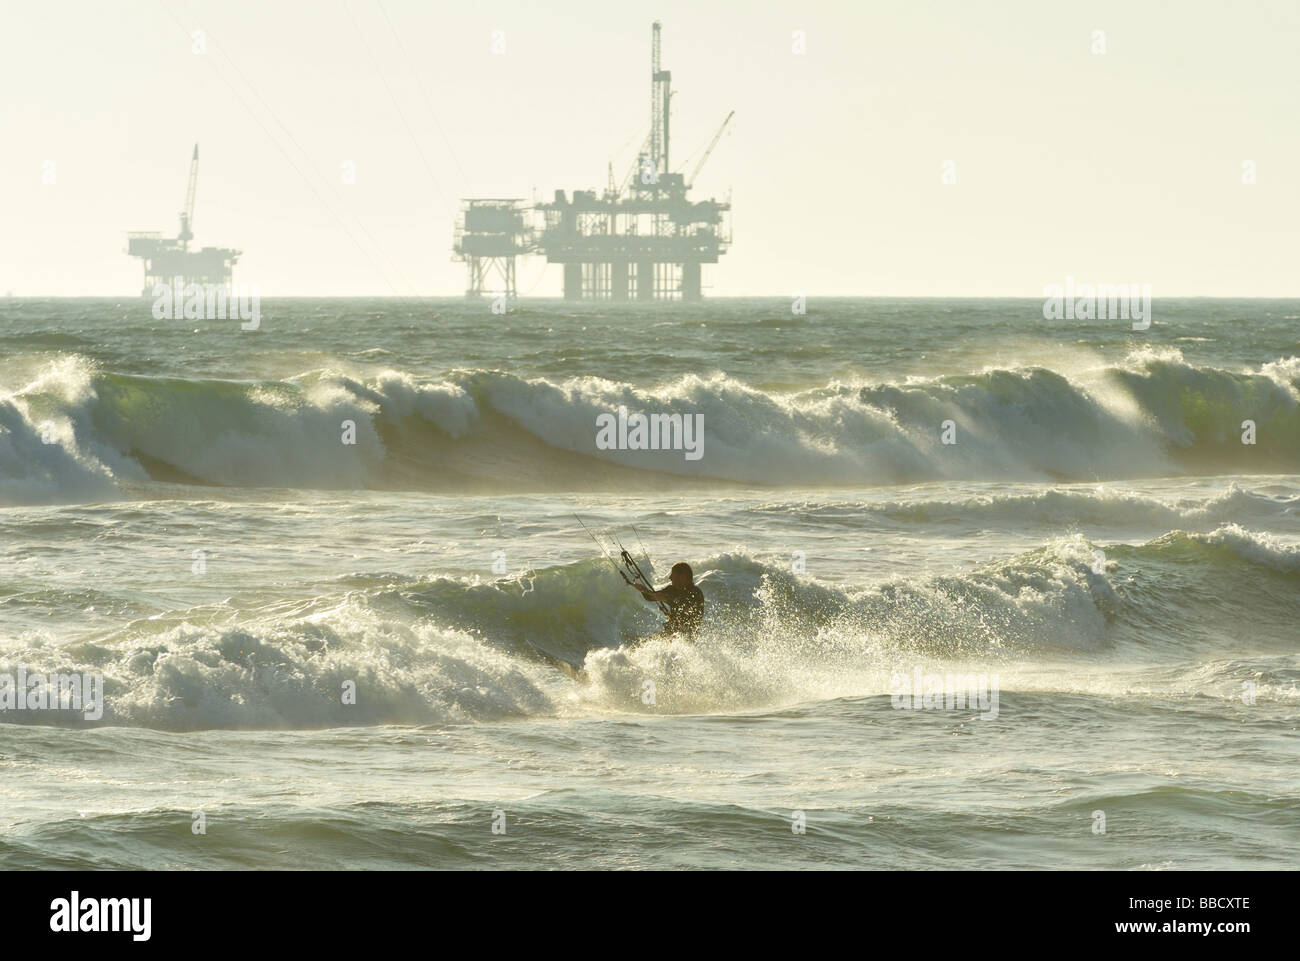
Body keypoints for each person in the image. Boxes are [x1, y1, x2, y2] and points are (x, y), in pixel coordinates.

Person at [632, 561, 704, 640]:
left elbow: (684, 605)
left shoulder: (695, 593)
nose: (670, 577)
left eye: (673, 574)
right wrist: (643, 590)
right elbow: (652, 597)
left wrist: (666, 599)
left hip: (688, 636)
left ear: (682, 577)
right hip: (672, 631)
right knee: (643, 643)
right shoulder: (671, 589)